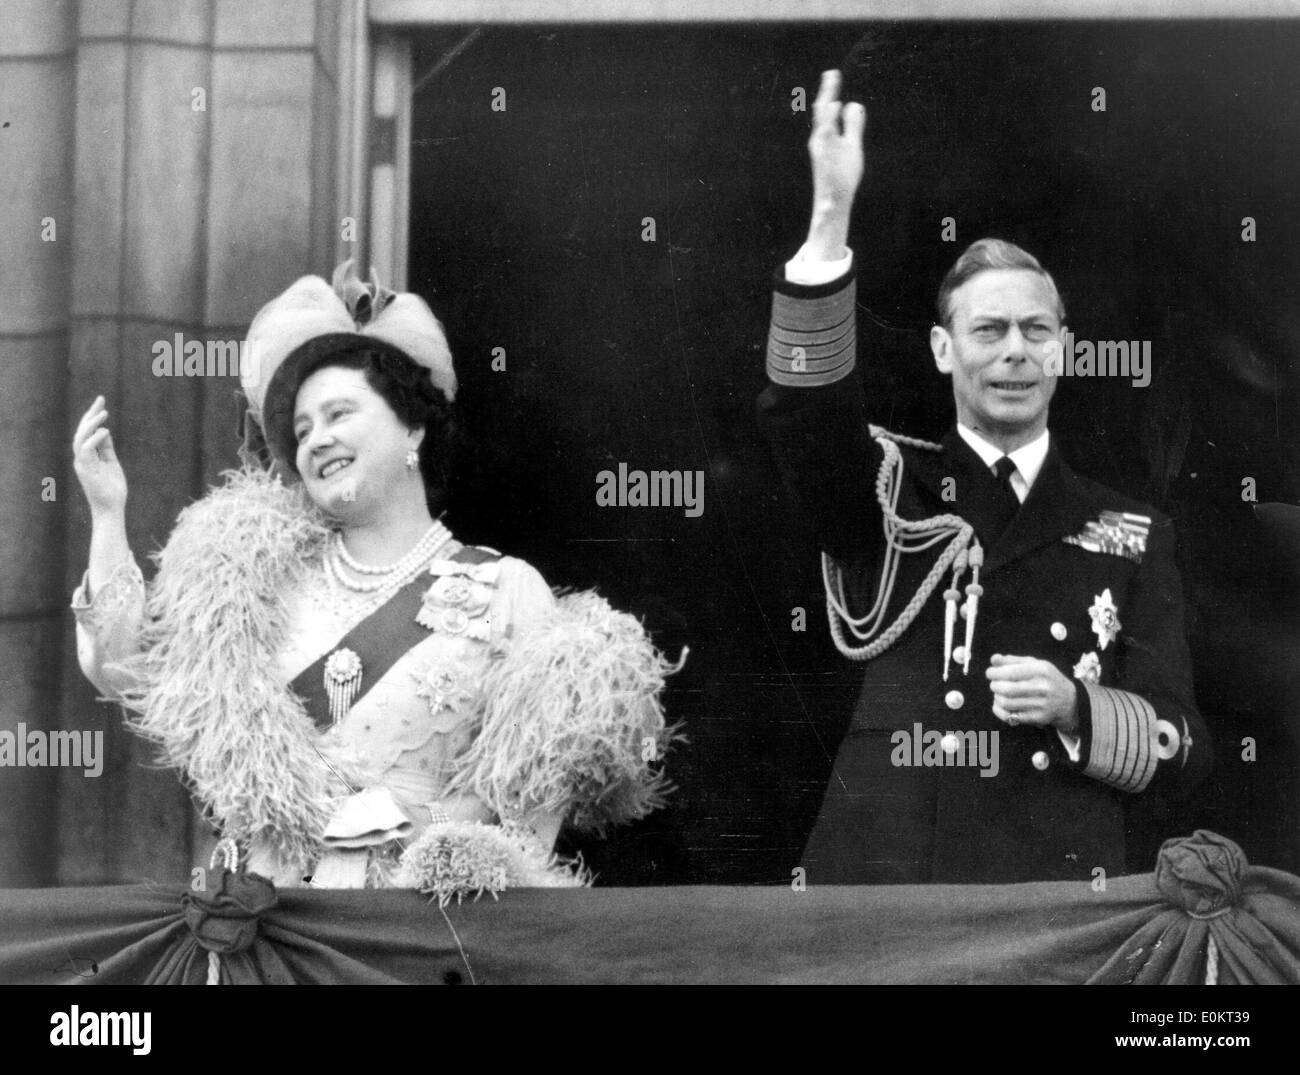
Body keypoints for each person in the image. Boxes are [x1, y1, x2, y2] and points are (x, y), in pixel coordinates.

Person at [71, 262, 680, 899]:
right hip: (266, 927)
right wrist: (109, 511)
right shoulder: (254, 587)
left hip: (419, 934)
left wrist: (401, 841)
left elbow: (523, 819)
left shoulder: (505, 590)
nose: (317, 441)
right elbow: (127, 671)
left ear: (412, 425)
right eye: (302, 430)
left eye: (339, 414)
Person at [758, 71, 1212, 884]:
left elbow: (1185, 745)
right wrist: (830, 219)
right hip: (889, 882)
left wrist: (1079, 708)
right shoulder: (890, 492)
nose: (1014, 350)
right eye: (989, 329)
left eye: (1037, 330)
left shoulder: (1135, 531)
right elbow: (805, 416)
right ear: (943, 350)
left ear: (1064, 351)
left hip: (1055, 888)